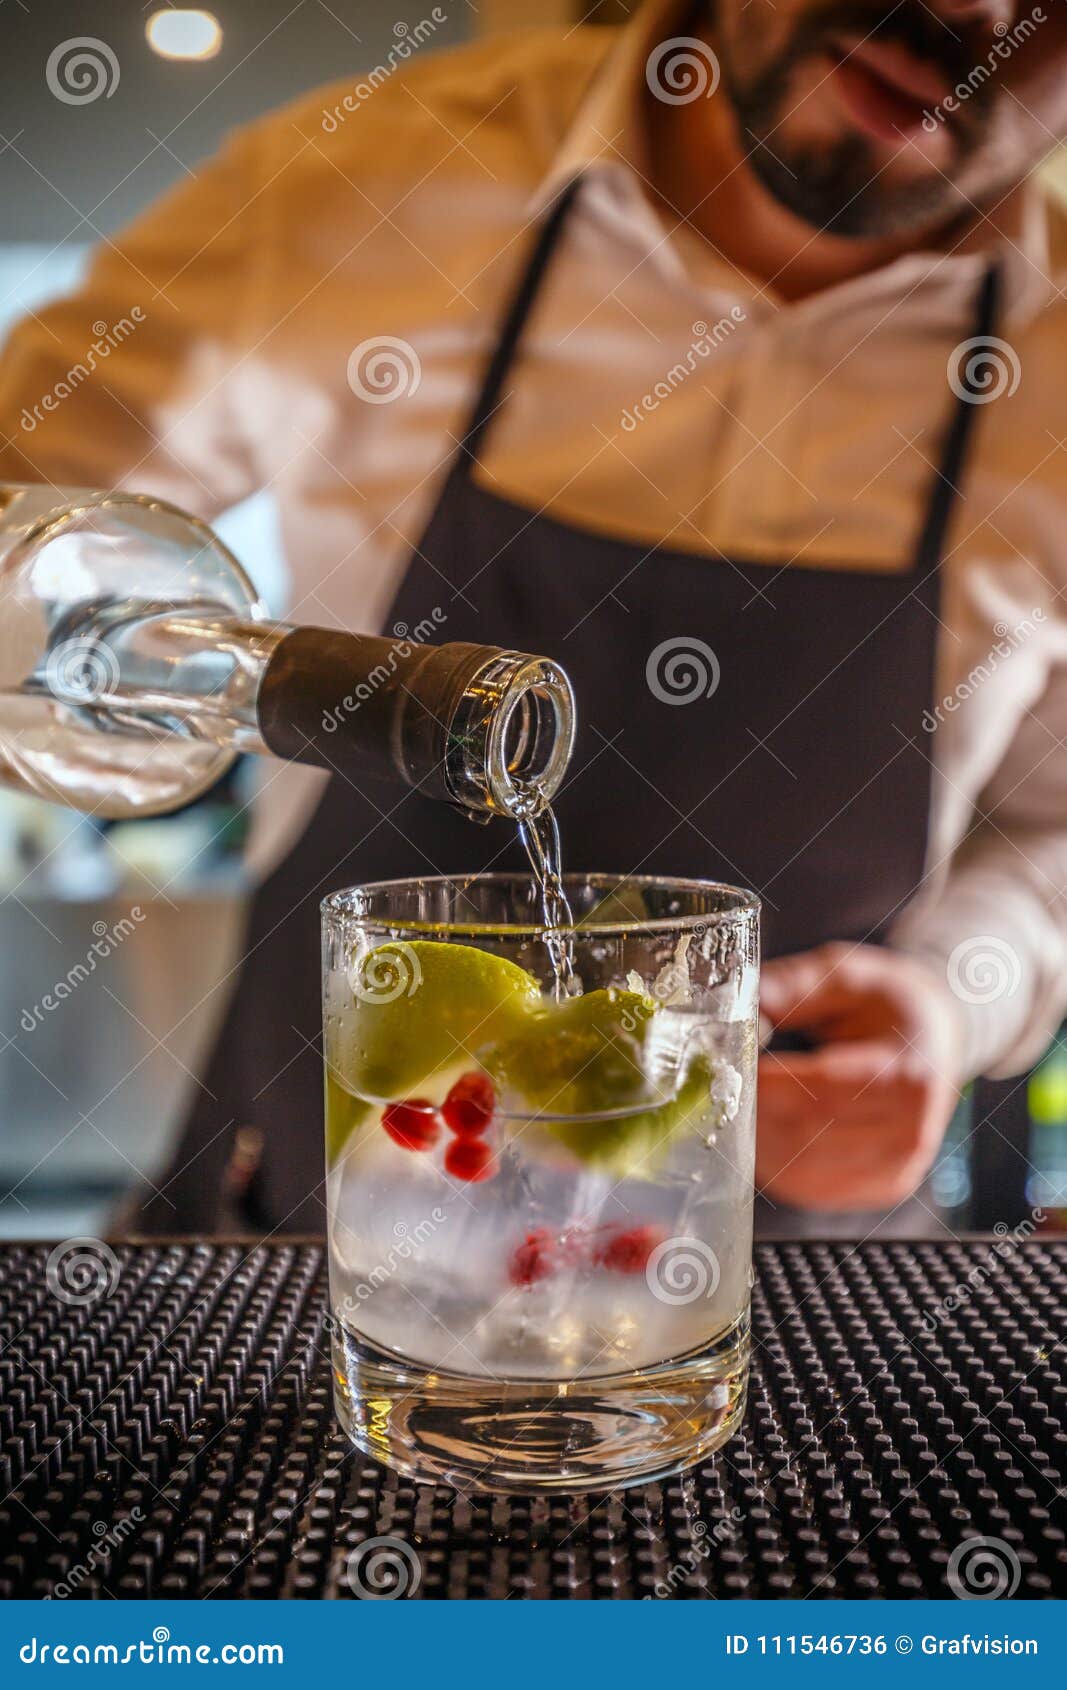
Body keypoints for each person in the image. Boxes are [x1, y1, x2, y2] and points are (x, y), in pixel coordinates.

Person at [2, 0, 1065, 1232]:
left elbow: (1047, 832)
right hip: (316, 1237)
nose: (972, 9)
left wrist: (948, 995)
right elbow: (31, 515)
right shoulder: (374, 181)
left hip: (781, 1274)